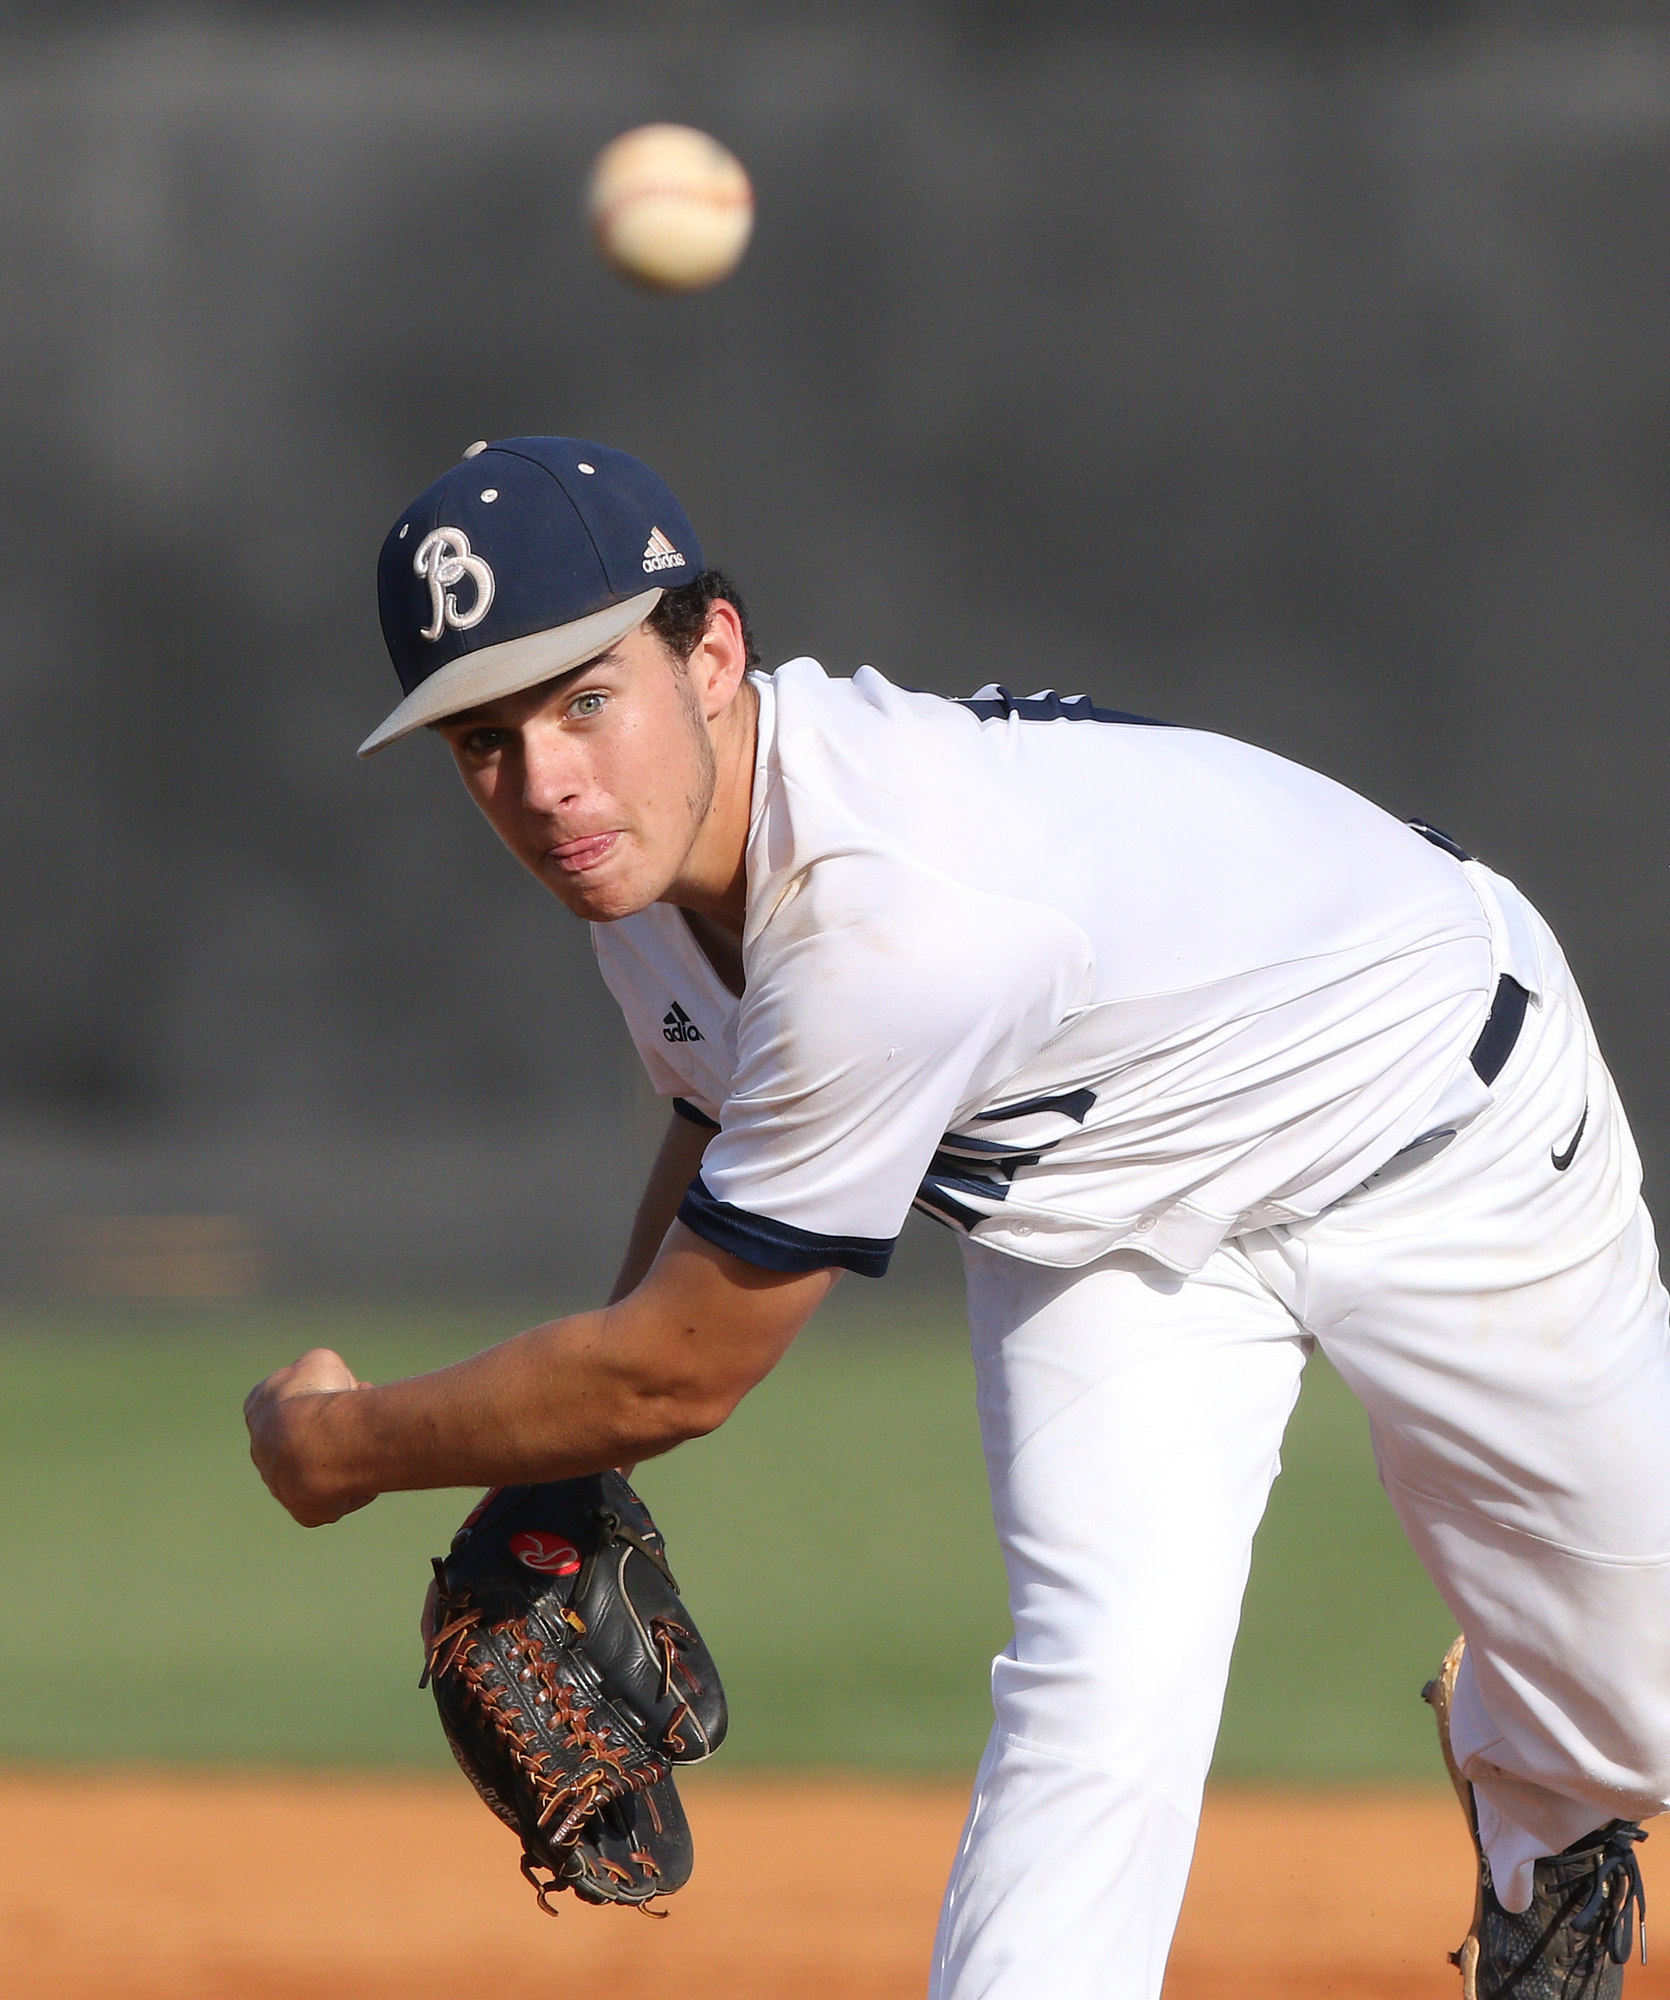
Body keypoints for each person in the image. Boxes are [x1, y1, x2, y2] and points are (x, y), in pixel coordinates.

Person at [247, 436, 1665, 1999]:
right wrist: (566, 1472)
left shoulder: (887, 912)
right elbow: (720, 1107)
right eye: (483, 740)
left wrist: (343, 1447)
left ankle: (1551, 1812)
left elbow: (677, 1370)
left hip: (1437, 1131)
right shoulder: (642, 861)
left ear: (709, 656)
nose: (544, 784)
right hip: (1103, 1220)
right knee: (1094, 1697)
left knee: (1642, 1713)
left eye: (583, 700)